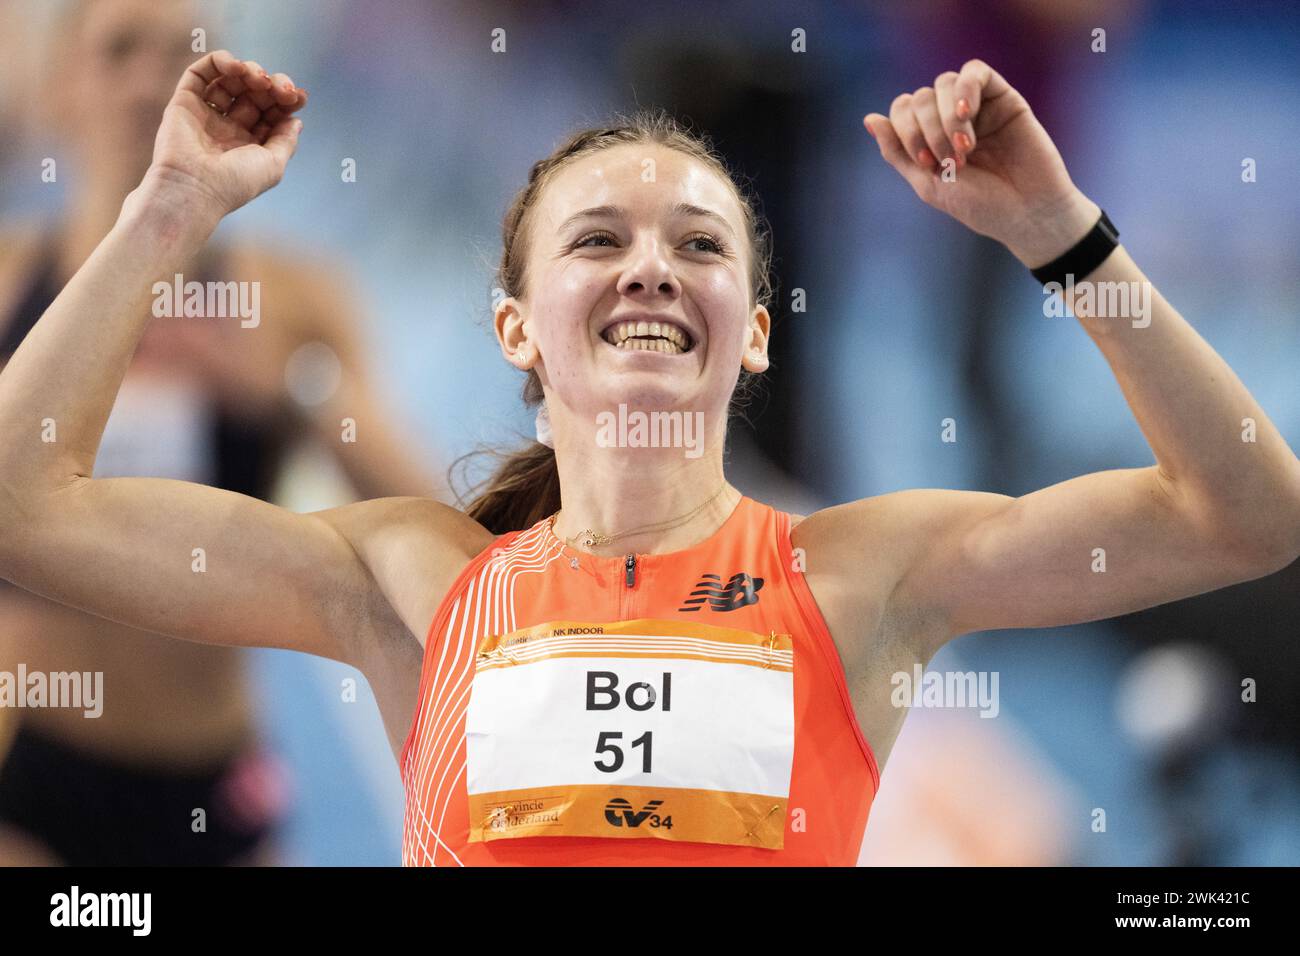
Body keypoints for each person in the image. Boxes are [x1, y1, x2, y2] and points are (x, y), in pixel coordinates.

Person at [0, 49, 1296, 866]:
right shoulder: (415, 580)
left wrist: (1065, 235)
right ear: (516, 328)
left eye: (700, 243)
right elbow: (23, 511)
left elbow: (1241, 512)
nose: (651, 267)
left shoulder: (865, 575)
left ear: (758, 340)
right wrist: (164, 214)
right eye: (598, 238)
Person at [0, 4, 441, 866]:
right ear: (58, 90)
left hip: (212, 777)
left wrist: (293, 388)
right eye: (119, 51)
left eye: (181, 54)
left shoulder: (288, 300)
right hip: (33, 771)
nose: (148, 81)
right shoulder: (8, 279)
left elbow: (435, 532)